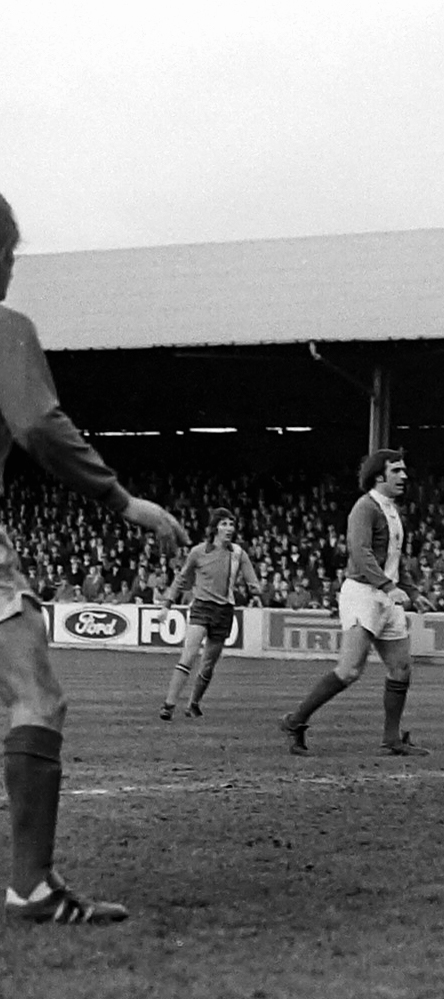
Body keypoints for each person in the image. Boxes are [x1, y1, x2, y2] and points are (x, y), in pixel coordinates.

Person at [1, 191, 189, 924]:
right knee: (34, 697)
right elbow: (39, 426)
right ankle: (32, 887)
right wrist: (120, 501)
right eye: (9, 255)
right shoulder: (5, 328)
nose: (11, 272)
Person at [279, 449, 434, 757]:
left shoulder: (391, 510)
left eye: (404, 471)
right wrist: (389, 587)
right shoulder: (365, 507)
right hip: (364, 594)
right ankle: (295, 720)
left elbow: (393, 560)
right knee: (350, 670)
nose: (404, 476)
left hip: (386, 596)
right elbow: (360, 553)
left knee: (401, 667)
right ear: (379, 476)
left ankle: (392, 738)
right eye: (397, 471)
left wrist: (412, 591)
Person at [156, 508, 258, 720]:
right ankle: (169, 705)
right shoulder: (198, 552)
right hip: (202, 607)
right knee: (189, 655)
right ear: (214, 528)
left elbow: (253, 581)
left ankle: (193, 703)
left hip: (224, 611)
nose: (229, 528)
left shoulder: (238, 553)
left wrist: (257, 590)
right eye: (224, 524)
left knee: (209, 663)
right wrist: (167, 605)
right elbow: (181, 579)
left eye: (231, 524)